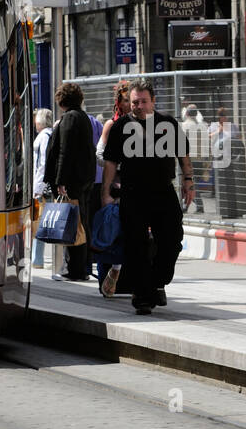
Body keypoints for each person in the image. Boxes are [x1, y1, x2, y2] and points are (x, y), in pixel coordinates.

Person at [101, 78, 194, 315]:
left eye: (143, 101)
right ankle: (142, 296)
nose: (138, 106)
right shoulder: (120, 127)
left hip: (163, 192)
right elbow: (111, 162)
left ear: (153, 101)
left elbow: (183, 156)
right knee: (136, 246)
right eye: (134, 102)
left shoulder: (168, 124)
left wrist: (188, 182)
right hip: (132, 194)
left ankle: (157, 280)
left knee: (172, 240)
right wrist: (106, 194)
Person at [45, 82, 97, 281]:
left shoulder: (69, 118)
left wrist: (60, 180)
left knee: (71, 224)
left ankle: (73, 269)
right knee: (81, 223)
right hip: (84, 179)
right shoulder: (83, 117)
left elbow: (64, 152)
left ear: (61, 100)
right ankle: (82, 267)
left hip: (72, 181)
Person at [96, 79, 132, 296]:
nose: (130, 105)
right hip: (116, 186)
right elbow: (99, 154)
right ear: (119, 102)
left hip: (137, 186)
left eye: (133, 100)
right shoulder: (112, 124)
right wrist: (117, 163)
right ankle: (113, 272)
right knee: (114, 232)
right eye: (126, 100)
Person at [30, 107, 54, 269]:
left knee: (38, 223)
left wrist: (37, 187)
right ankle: (36, 258)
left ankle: (37, 259)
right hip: (45, 185)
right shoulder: (49, 135)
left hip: (41, 187)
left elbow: (42, 164)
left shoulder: (43, 137)